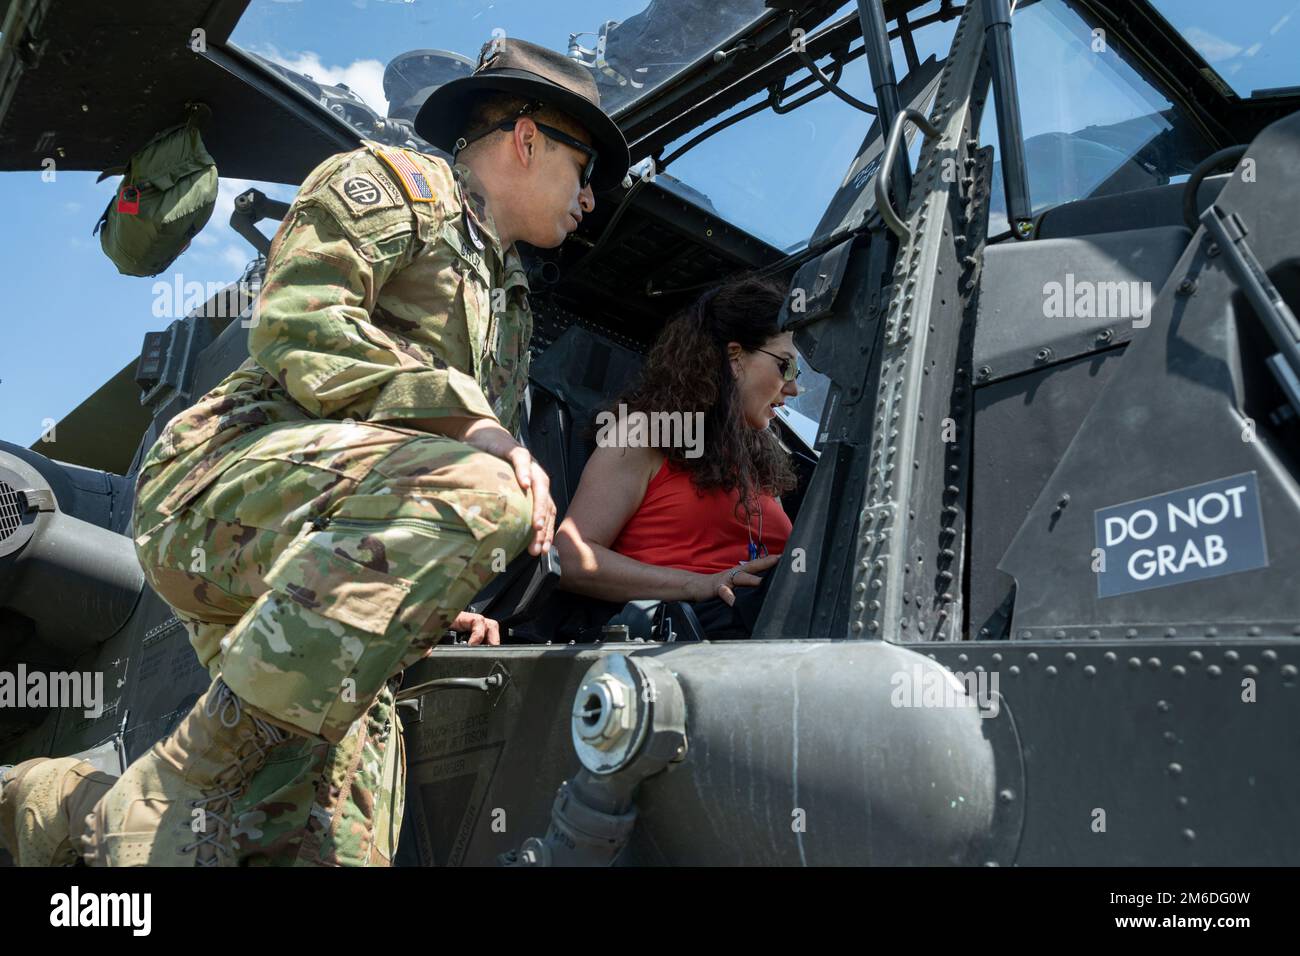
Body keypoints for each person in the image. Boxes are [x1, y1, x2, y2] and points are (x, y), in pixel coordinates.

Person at [0, 37, 628, 868]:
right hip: (222, 489)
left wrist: (430, 591)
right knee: (486, 489)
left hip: (321, 552)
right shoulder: (396, 190)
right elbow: (300, 323)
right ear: (526, 138)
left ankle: (51, 805)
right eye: (585, 171)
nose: (589, 200)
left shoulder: (509, 304)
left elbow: (403, 479)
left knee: (333, 843)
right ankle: (180, 774)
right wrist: (474, 424)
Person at [553, 275, 801, 639]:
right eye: (786, 366)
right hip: (686, 637)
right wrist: (700, 583)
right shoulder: (644, 432)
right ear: (735, 358)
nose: (793, 388)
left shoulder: (762, 466)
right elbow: (570, 559)